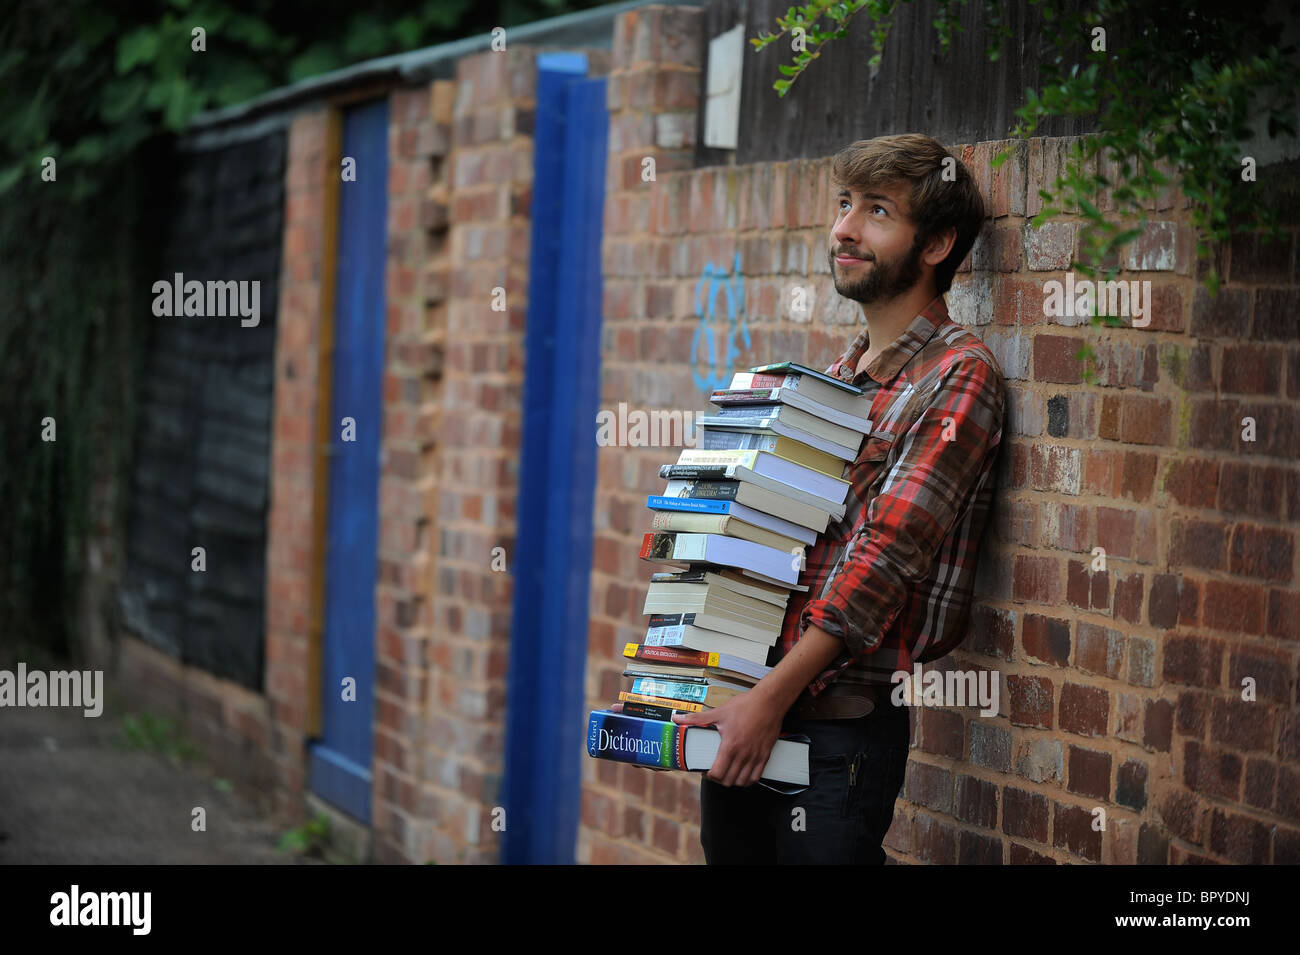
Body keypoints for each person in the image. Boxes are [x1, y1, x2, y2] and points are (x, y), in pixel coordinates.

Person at [673, 134, 1007, 864]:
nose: (845, 229)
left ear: (937, 242)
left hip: (836, 730)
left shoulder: (957, 378)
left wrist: (768, 700)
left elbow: (884, 561)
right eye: (844, 204)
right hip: (750, 712)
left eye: (877, 211)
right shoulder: (833, 383)